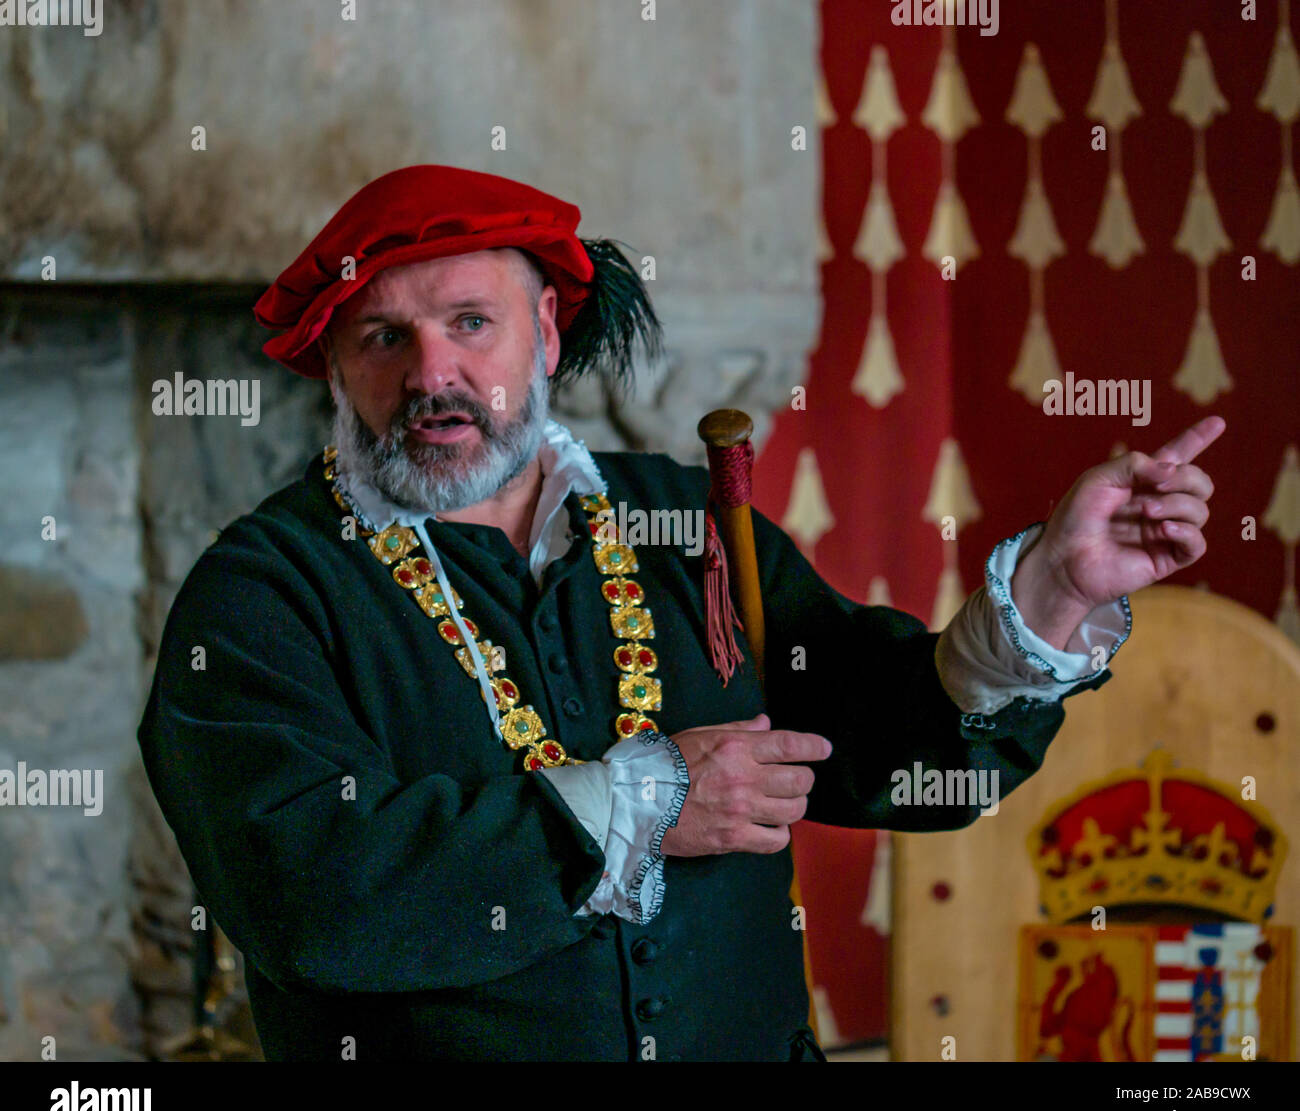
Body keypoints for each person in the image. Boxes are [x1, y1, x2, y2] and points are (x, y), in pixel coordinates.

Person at [136, 165, 1223, 1062]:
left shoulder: (688, 518)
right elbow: (309, 895)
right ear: (334, 364)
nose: (435, 373)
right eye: (383, 338)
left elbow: (893, 752)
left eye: (472, 322)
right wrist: (645, 803)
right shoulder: (259, 593)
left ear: (547, 335)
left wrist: (1056, 589)